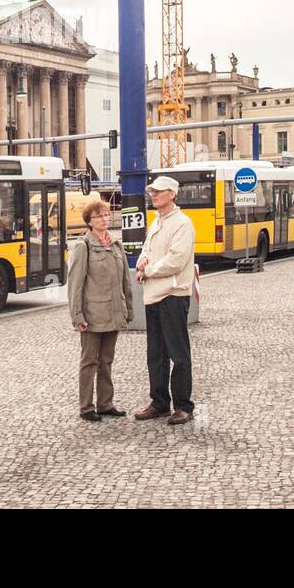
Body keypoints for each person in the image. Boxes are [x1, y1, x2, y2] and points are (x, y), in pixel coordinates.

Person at [134, 176, 196, 425]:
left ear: (172, 194)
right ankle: (159, 401)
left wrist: (147, 271)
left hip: (173, 295)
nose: (153, 195)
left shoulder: (182, 224)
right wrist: (141, 260)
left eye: (158, 191)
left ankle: (183, 405)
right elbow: (148, 250)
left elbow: (176, 259)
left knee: (178, 353)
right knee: (156, 353)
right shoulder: (156, 222)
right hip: (153, 294)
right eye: (152, 191)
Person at [67, 196, 132, 422]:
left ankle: (106, 403)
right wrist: (77, 316)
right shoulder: (83, 246)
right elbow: (76, 285)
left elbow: (125, 281)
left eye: (106, 215)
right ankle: (86, 407)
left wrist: (128, 310)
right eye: (99, 216)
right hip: (92, 315)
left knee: (107, 360)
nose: (104, 219)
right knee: (89, 361)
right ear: (89, 221)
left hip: (113, 312)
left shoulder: (115, 244)